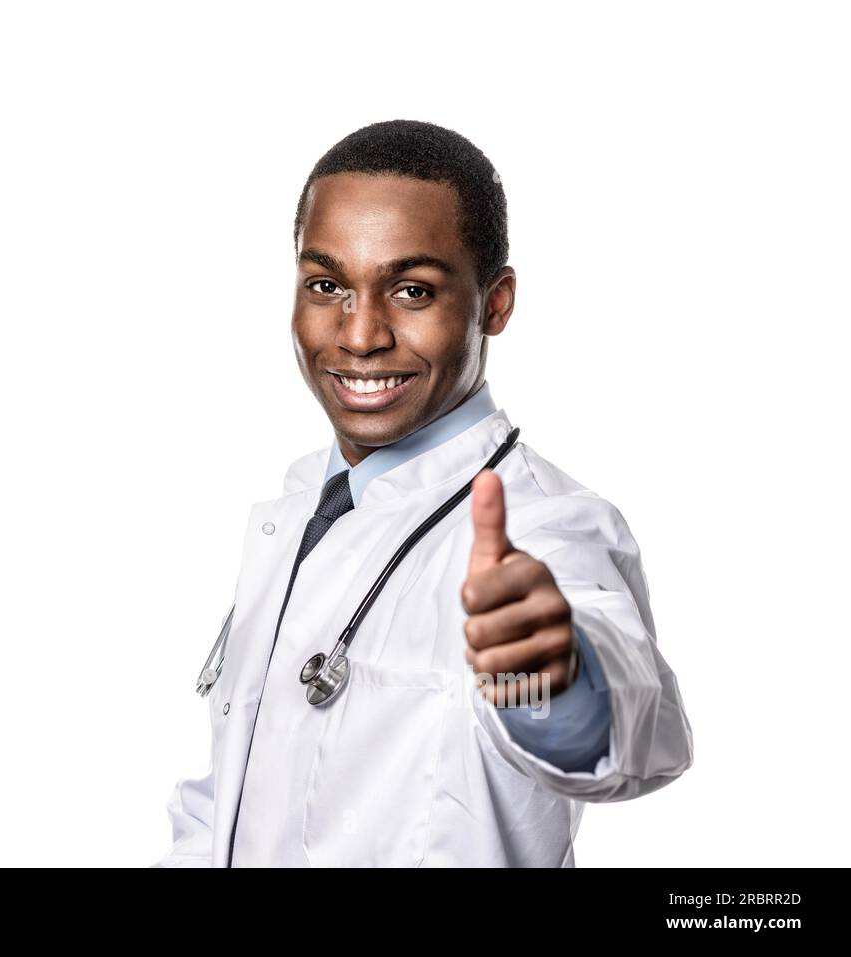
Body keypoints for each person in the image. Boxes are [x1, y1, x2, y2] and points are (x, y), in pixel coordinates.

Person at [152, 120, 694, 868]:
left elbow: (635, 730)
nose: (360, 333)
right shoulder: (309, 503)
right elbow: (233, 809)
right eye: (327, 284)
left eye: (412, 290)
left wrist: (558, 677)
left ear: (495, 304)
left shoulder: (540, 526)